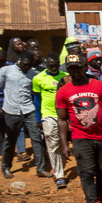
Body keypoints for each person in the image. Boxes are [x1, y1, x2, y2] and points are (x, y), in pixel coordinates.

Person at [54, 52, 102, 203]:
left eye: (78, 68)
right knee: (86, 172)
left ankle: (101, 200)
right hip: (80, 137)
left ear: (84, 67)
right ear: (67, 70)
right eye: (71, 69)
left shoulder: (100, 86)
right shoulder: (63, 92)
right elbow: (62, 119)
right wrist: (64, 144)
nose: (75, 72)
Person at [0, 48, 47, 180]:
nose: (26, 67)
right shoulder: (6, 71)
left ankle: (41, 168)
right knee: (11, 139)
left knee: (36, 138)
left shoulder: (33, 74)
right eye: (25, 64)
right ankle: (6, 166)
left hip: (28, 109)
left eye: (29, 65)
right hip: (11, 110)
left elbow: (36, 93)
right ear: (19, 61)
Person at [31, 54, 68, 188]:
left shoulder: (65, 76)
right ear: (46, 64)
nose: (54, 67)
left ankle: (62, 164)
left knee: (62, 143)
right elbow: (36, 99)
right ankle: (59, 175)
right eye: (51, 65)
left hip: (64, 115)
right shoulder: (38, 78)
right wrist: (38, 117)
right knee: (52, 144)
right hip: (48, 114)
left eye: (56, 65)